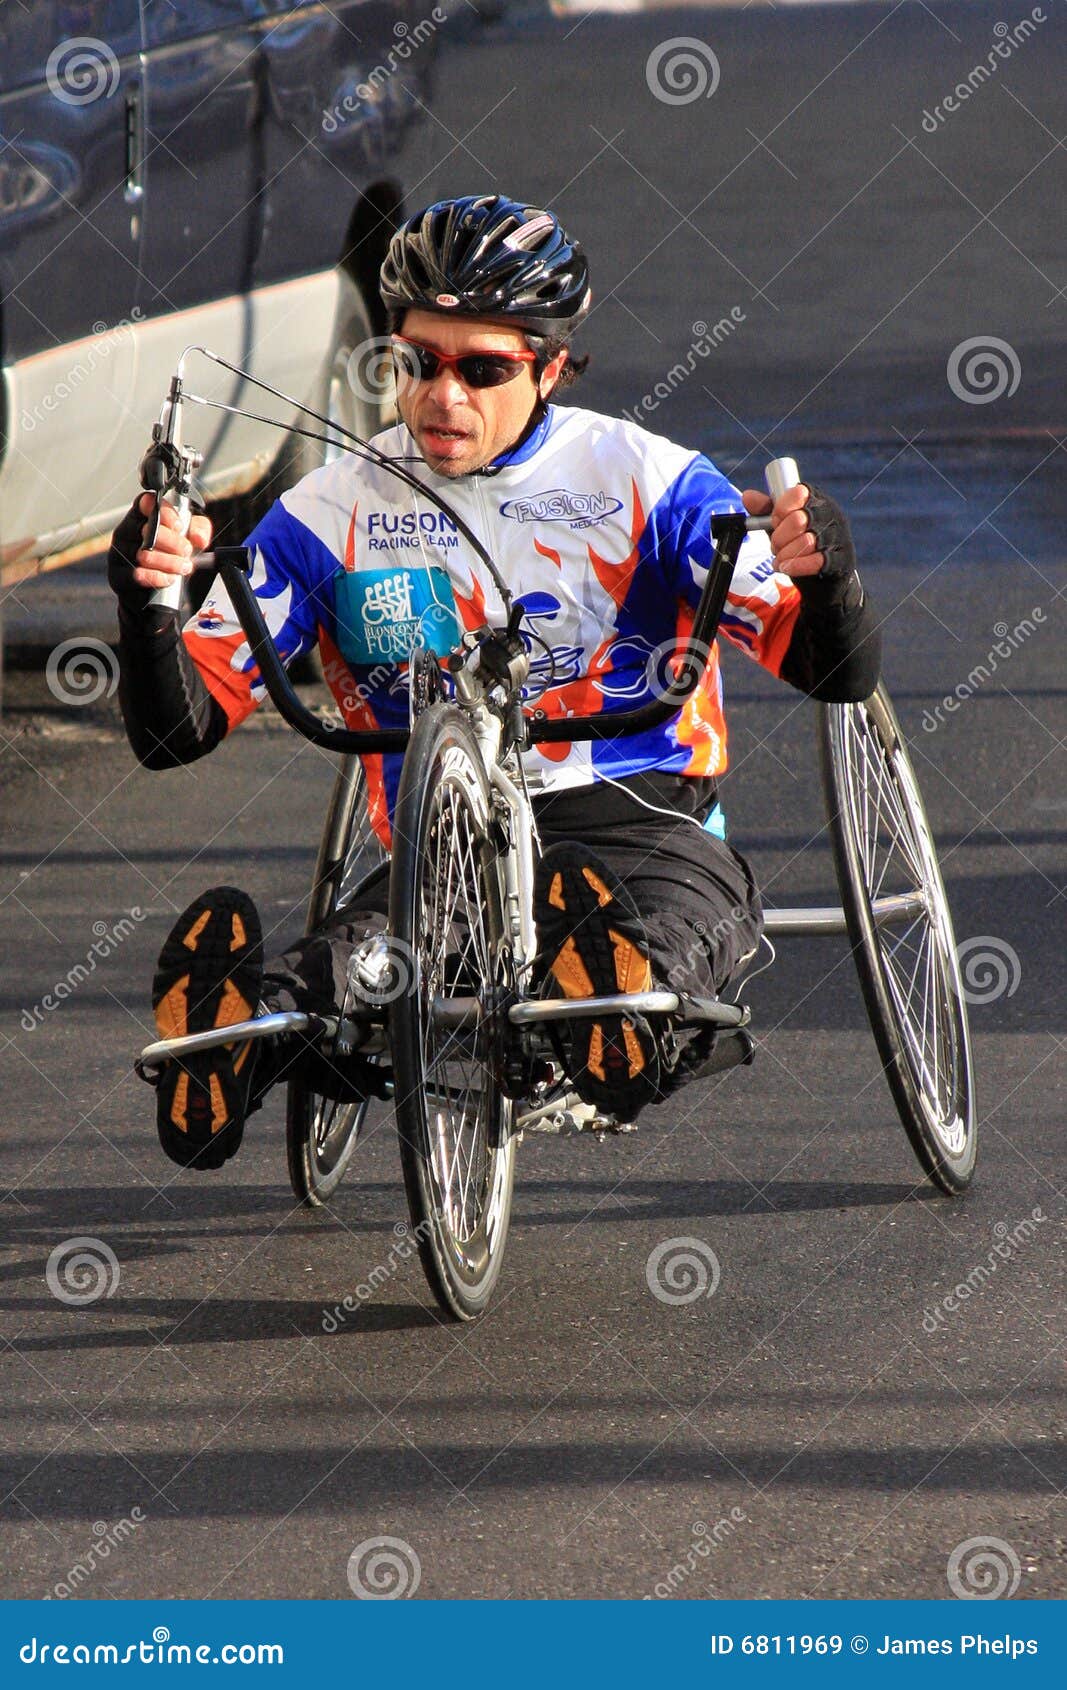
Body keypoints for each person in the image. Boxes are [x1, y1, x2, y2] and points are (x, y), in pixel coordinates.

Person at [108, 194, 880, 1171]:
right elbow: (177, 730)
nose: (442, 397)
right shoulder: (327, 510)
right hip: (448, 850)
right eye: (418, 362)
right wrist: (145, 606)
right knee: (364, 974)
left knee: (662, 935)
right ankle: (241, 1036)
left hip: (638, 818)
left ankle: (612, 1009)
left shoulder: (648, 481)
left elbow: (831, 671)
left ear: (551, 365)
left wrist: (832, 578)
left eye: (482, 369)